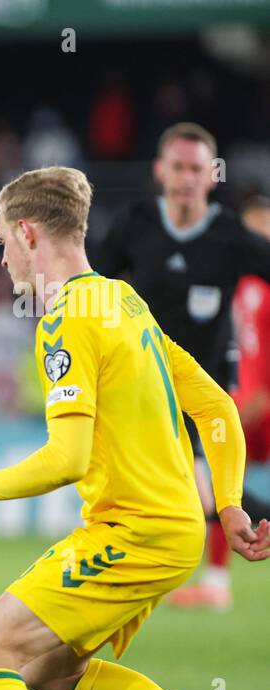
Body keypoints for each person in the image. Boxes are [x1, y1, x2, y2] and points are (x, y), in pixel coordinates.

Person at [0, 165, 270, 690]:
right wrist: (227, 504)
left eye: (3, 241)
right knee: (50, 670)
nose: (0, 258)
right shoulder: (124, 300)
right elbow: (214, 405)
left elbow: (67, 458)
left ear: (28, 232)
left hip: (136, 531)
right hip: (168, 527)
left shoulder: (65, 320)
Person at [97, 122, 270, 609]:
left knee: (208, 492)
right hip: (147, 389)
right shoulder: (135, 224)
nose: (187, 177)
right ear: (160, 170)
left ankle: (155, 580)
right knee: (198, 494)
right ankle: (193, 581)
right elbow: (91, 288)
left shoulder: (231, 236)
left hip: (208, 393)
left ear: (211, 175)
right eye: (178, 166)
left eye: (197, 167)